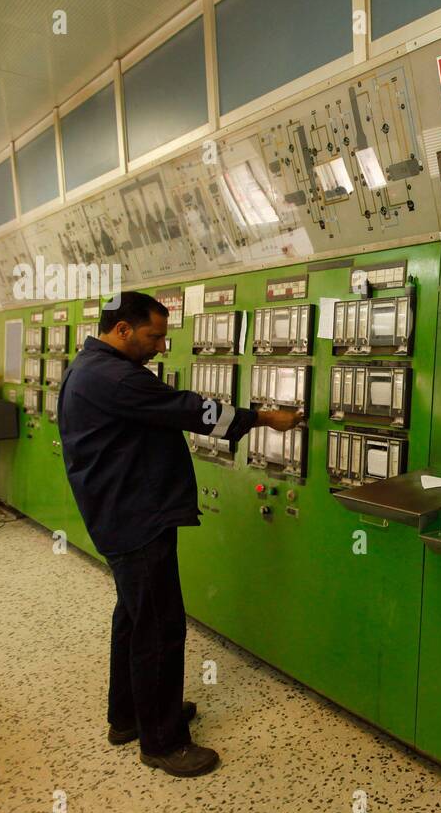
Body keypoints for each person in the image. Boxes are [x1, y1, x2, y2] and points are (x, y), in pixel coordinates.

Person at [57, 291, 301, 777]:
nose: (160, 347)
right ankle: (163, 741)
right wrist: (263, 418)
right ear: (122, 329)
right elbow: (189, 410)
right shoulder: (113, 375)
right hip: (136, 518)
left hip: (120, 513)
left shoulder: (89, 366)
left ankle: (128, 716)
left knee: (132, 618)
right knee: (159, 628)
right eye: (153, 336)